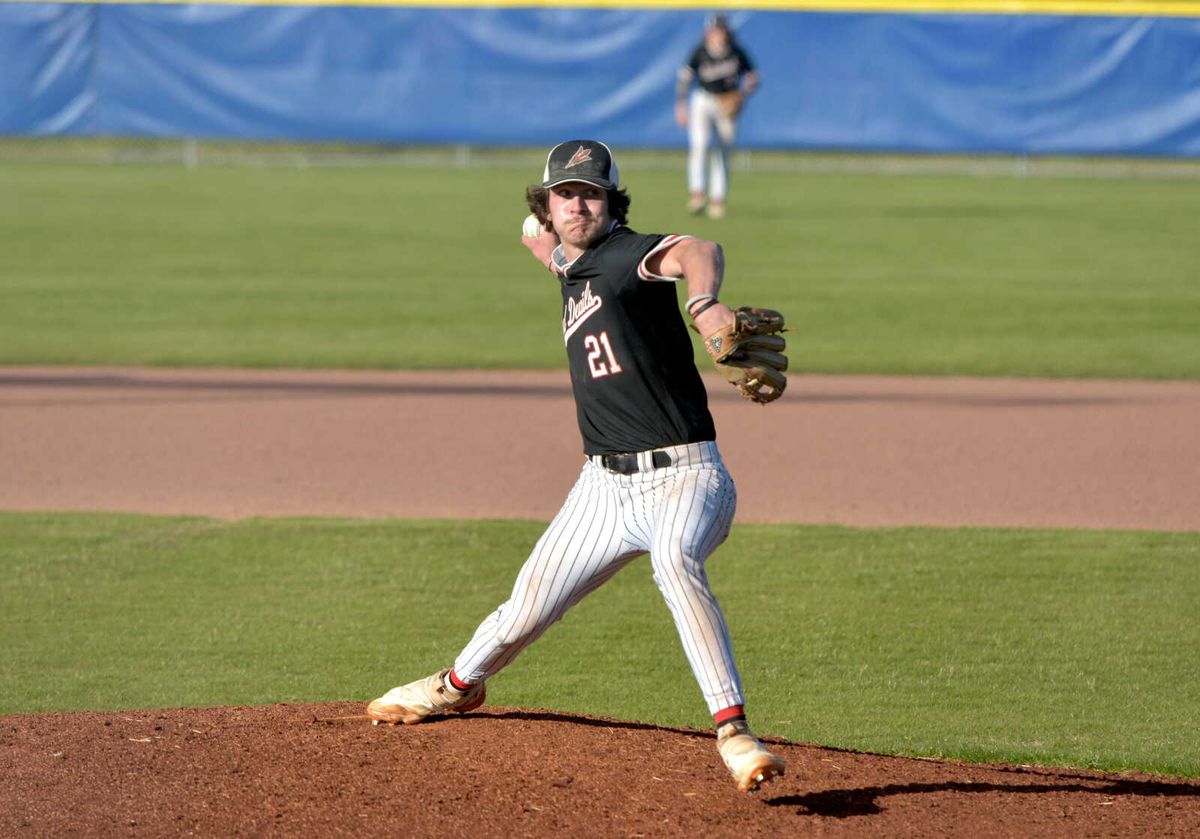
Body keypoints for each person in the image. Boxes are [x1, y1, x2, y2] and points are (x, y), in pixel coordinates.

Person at [367, 139, 786, 794]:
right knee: (523, 610)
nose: (577, 203)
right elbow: (539, 236)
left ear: (612, 202)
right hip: (601, 489)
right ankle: (455, 686)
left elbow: (700, 249)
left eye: (591, 192)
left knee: (675, 560)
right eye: (565, 192)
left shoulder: (629, 256)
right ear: (549, 200)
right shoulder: (568, 258)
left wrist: (704, 307)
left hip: (686, 475)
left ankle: (733, 731)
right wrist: (547, 236)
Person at [674, 14, 759, 219]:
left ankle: (717, 201)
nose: (718, 34)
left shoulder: (736, 52)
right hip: (703, 100)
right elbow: (685, 78)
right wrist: (681, 105)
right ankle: (697, 194)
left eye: (721, 30)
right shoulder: (700, 51)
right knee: (699, 145)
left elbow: (753, 77)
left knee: (723, 151)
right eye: (715, 30)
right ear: (708, 32)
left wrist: (742, 94)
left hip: (726, 101)